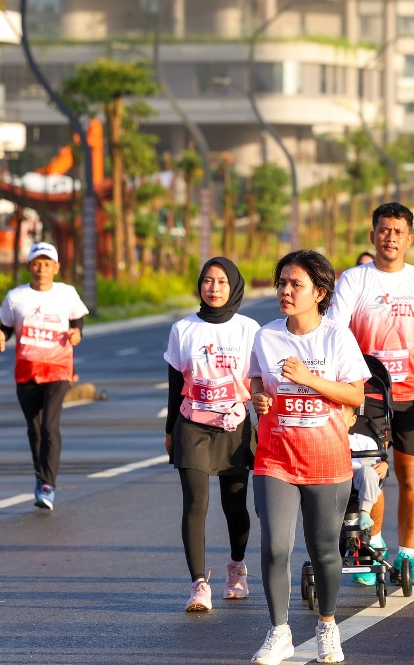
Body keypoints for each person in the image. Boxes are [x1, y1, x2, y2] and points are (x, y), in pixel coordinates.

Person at [248, 249, 369, 665]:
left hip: (326, 458)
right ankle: (278, 631)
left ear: (319, 292)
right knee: (275, 547)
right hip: (274, 457)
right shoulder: (265, 336)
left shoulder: (337, 337)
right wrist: (259, 399)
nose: (285, 290)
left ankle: (327, 627)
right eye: (281, 282)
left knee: (324, 551)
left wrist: (308, 379)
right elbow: (255, 382)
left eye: (295, 284)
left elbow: (355, 395)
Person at [328, 202, 414, 586]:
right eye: (384, 230)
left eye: (398, 232)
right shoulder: (354, 280)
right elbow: (334, 334)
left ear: (409, 239)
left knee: (411, 474)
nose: (390, 237)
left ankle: (408, 556)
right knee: (370, 470)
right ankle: (375, 545)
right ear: (373, 235)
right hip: (368, 395)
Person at [163, 256, 259, 612]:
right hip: (192, 425)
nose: (214, 287)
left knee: (234, 504)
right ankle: (198, 586)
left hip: (234, 426)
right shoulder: (183, 329)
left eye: (221, 281)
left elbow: (261, 381)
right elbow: (175, 385)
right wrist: (170, 429)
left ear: (233, 286)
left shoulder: (249, 329)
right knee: (195, 503)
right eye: (207, 280)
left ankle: (236, 569)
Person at [0, 241, 88, 510]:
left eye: (47, 264)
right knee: (34, 429)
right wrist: (0, 338)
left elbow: (77, 320)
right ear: (28, 267)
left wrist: (77, 333)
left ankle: (48, 485)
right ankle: (40, 474)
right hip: (26, 372)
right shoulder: (16, 297)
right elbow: (5, 328)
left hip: (58, 369)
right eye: (37, 263)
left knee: (49, 426)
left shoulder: (66, 294)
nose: (42, 269)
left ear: (56, 268)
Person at [345, 405, 388, 531]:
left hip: (358, 473)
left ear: (352, 420)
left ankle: (365, 511)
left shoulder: (364, 441)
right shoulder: (324, 440)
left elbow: (374, 463)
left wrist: (383, 465)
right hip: (334, 474)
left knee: (369, 472)